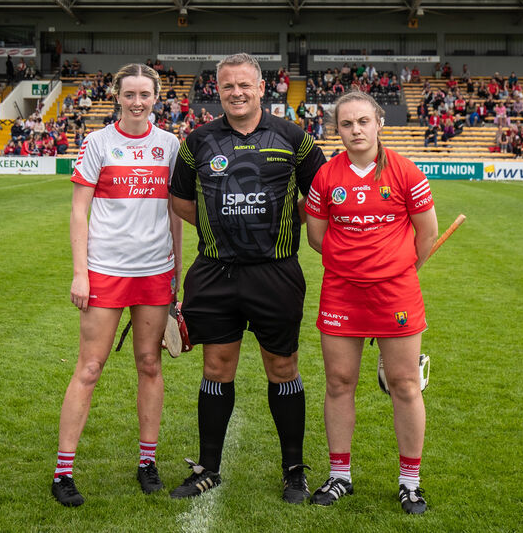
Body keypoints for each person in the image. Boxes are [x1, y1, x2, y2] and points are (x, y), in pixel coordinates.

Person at [167, 53, 327, 503]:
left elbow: (323, 192)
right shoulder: (197, 140)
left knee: (283, 367)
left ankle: (294, 470)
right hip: (215, 274)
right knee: (216, 367)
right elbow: (179, 201)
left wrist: (283, 219)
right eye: (227, 86)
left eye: (244, 85)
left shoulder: (293, 137)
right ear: (217, 90)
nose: (236, 93)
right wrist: (223, 225)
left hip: (275, 273)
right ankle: (208, 468)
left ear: (262, 88)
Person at [51, 63, 183, 507]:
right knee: (89, 368)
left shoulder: (169, 145)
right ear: (118, 97)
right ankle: (63, 471)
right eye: (130, 94)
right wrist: (79, 272)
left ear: (156, 97)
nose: (138, 101)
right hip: (106, 270)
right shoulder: (98, 143)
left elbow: (174, 215)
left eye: (146, 94)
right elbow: (78, 212)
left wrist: (176, 272)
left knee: (150, 364)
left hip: (154, 272)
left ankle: (147, 462)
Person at [303, 91, 438, 514]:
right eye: (346, 124)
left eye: (363, 121)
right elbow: (316, 237)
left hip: (395, 293)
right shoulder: (326, 176)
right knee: (340, 382)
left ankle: (410, 482)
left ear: (379, 123)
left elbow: (426, 234)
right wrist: (353, 267)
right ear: (337, 129)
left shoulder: (405, 172)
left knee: (404, 384)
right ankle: (340, 475)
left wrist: (393, 269)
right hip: (342, 291)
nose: (356, 130)